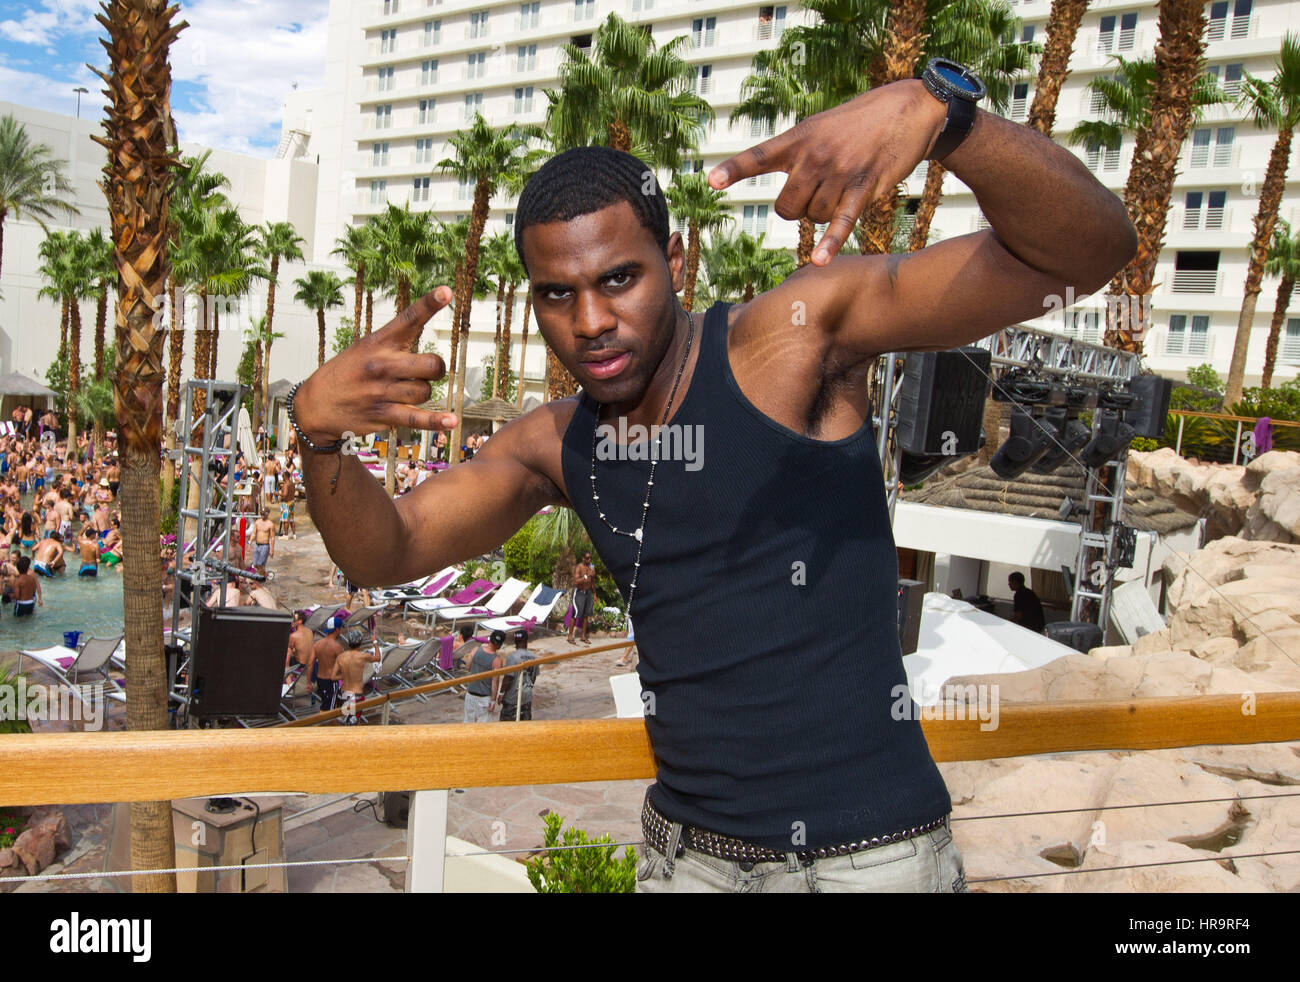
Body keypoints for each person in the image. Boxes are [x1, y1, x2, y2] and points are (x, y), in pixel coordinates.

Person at [292, 70, 1134, 893]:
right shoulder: (553, 445)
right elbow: (387, 549)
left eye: (619, 278)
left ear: (675, 259)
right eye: (558, 295)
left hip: (870, 862)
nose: (591, 322)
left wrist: (949, 119)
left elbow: (1090, 251)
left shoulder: (796, 339)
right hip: (684, 860)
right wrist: (319, 434)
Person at [336, 630, 381, 725]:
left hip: (345, 693)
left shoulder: (341, 657)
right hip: (357, 694)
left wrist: (344, 675)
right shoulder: (363, 656)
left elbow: (332, 676)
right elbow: (378, 658)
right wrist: (375, 642)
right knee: (355, 722)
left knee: (348, 719)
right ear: (360, 643)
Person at [305, 616, 346, 712]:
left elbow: (310, 664)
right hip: (331, 682)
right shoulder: (337, 647)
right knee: (329, 711)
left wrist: (308, 682)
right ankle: (323, 726)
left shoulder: (317, 644)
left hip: (320, 680)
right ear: (336, 630)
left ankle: (330, 725)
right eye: (340, 629)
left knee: (327, 706)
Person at [462, 630, 504, 723]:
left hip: (471, 694)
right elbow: (494, 682)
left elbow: (467, 667)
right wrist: (493, 701)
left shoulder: (476, 649)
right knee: (483, 728)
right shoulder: (497, 660)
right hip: (484, 697)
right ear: (500, 645)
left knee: (467, 725)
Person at [498, 630, 539, 721]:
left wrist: (501, 693)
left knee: (506, 725)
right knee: (524, 725)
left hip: (512, 697)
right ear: (526, 641)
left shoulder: (513, 657)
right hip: (527, 696)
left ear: (515, 641)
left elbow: (508, 678)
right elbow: (534, 677)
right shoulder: (534, 657)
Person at [567, 552, 596, 645]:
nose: (589, 560)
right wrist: (585, 577)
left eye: (590, 558)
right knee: (576, 614)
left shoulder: (591, 567)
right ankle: (570, 636)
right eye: (587, 558)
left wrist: (594, 594)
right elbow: (575, 582)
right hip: (579, 593)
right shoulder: (579, 567)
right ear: (583, 558)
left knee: (586, 615)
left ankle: (583, 636)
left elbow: (592, 581)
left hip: (588, 593)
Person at [251, 508, 275, 576]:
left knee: (260, 564)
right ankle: (263, 575)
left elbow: (272, 537)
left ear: (267, 514)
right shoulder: (257, 522)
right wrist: (249, 542)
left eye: (263, 514)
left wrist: (272, 549)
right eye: (261, 514)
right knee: (255, 564)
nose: (262, 516)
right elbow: (253, 533)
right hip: (257, 544)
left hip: (265, 546)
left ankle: (263, 576)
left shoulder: (270, 524)